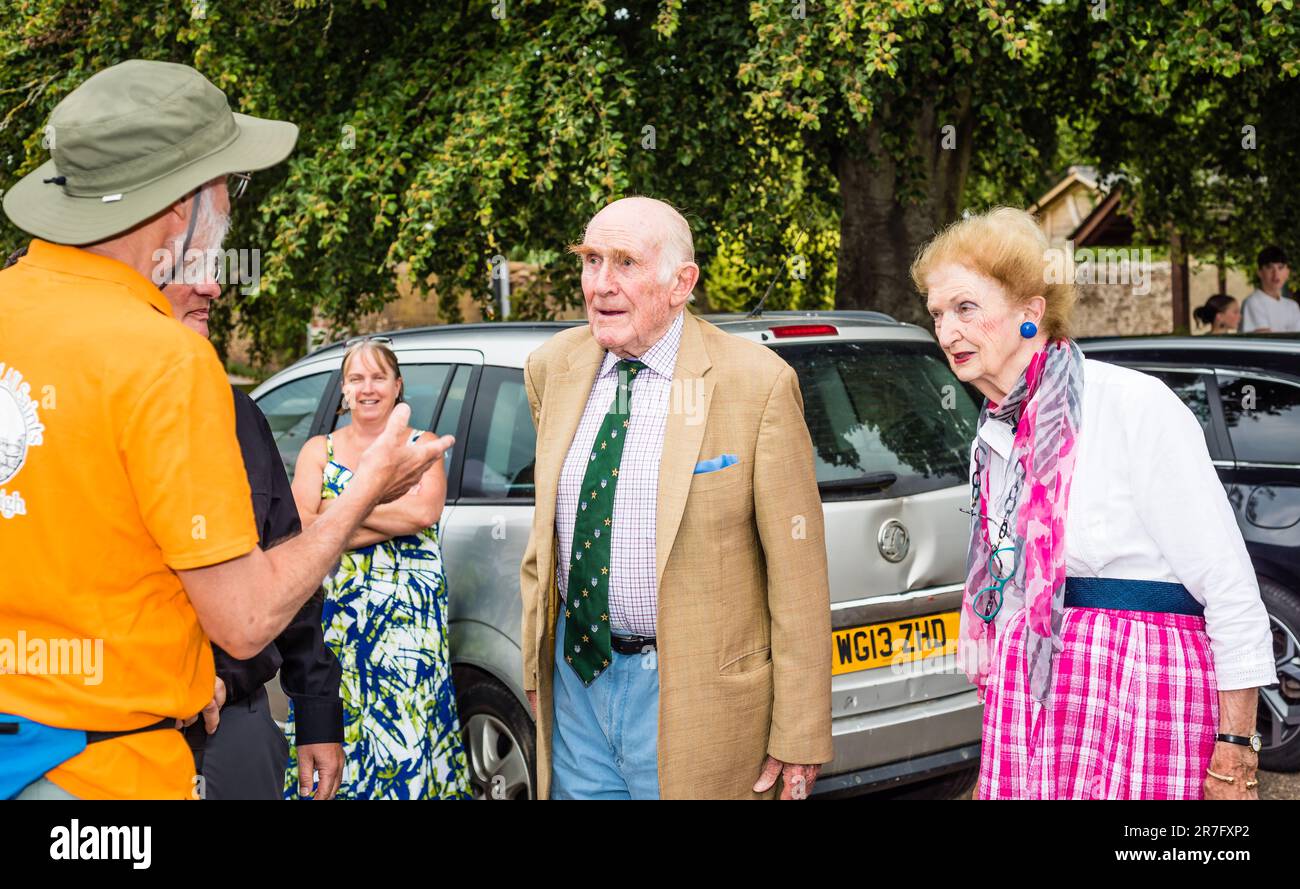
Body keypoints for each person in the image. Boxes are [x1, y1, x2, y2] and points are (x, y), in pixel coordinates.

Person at [0, 60, 447, 800]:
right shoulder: (163, 357)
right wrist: (363, 491)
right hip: (103, 782)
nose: (227, 216)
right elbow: (243, 619)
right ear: (182, 207)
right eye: (227, 189)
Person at [913, 206, 1277, 800]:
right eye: (936, 314)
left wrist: (1235, 752)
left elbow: (1232, 591)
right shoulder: (995, 433)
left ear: (1031, 313)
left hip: (1140, 689)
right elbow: (1009, 589)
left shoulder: (1133, 405)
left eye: (965, 308)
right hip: (1036, 699)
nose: (947, 331)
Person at [519, 196, 832, 799]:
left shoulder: (756, 383)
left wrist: (800, 730)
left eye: (625, 263)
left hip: (697, 701)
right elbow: (549, 534)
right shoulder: (552, 368)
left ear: (681, 283)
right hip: (576, 686)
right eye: (590, 261)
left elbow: (798, 576)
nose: (600, 285)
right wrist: (536, 657)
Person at [159, 275, 345, 801]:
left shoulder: (237, 414)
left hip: (235, 724)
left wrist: (315, 712)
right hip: (111, 731)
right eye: (181, 270)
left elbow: (286, 561)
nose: (212, 287)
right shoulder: (68, 414)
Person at [287, 339, 470, 799]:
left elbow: (422, 513)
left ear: (397, 385)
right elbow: (301, 525)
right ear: (345, 390)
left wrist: (339, 509)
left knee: (402, 728)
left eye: (377, 377)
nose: (367, 388)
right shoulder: (318, 450)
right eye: (356, 378)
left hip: (407, 619)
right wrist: (381, 508)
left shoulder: (420, 445)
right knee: (336, 729)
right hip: (337, 619)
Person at [1239, 245, 1300, 332]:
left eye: (1280, 267)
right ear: (1260, 272)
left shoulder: (1292, 306)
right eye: (1269, 267)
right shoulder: (1253, 302)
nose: (1276, 274)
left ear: (1287, 272)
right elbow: (1264, 340)